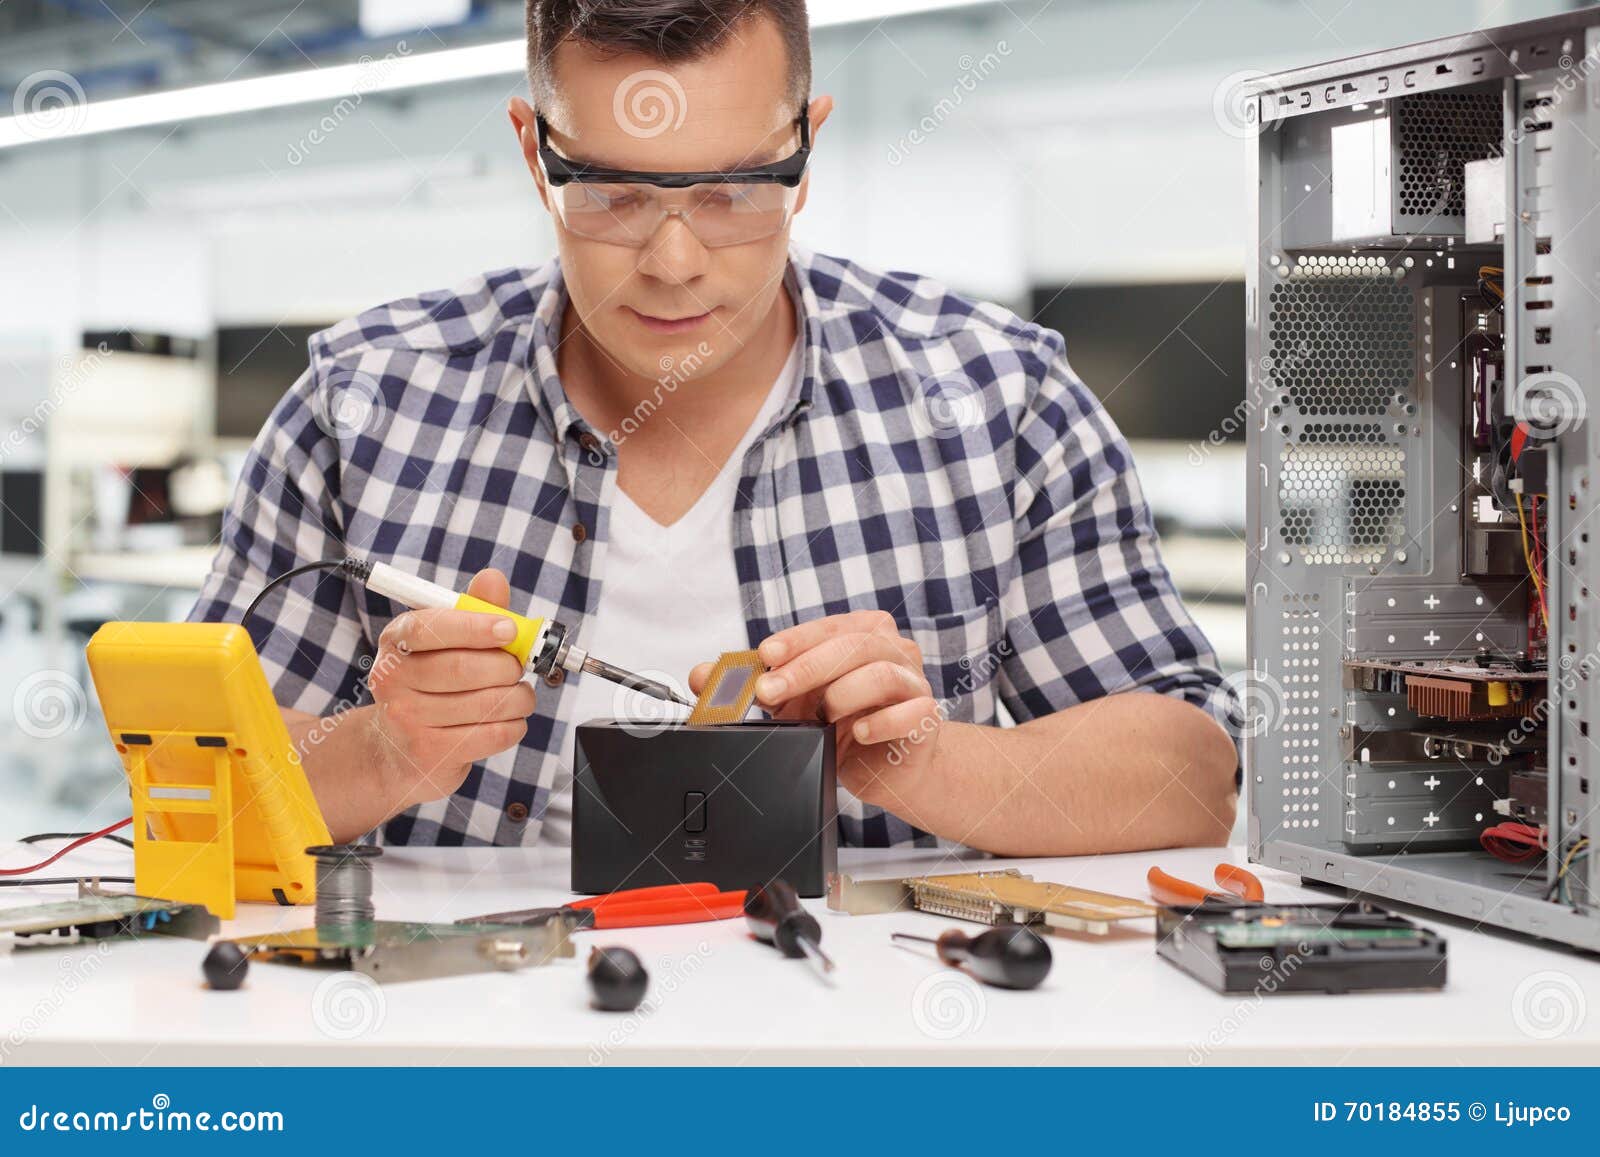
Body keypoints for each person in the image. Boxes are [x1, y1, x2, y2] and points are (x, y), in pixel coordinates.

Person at [191, 0, 1239, 854]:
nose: (676, 260)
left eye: (737, 189)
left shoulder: (998, 397)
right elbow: (191, 778)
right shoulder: (365, 400)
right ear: (532, 152)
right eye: (612, 192)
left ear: (806, 149)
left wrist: (913, 756)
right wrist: (385, 752)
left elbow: (1193, 775)